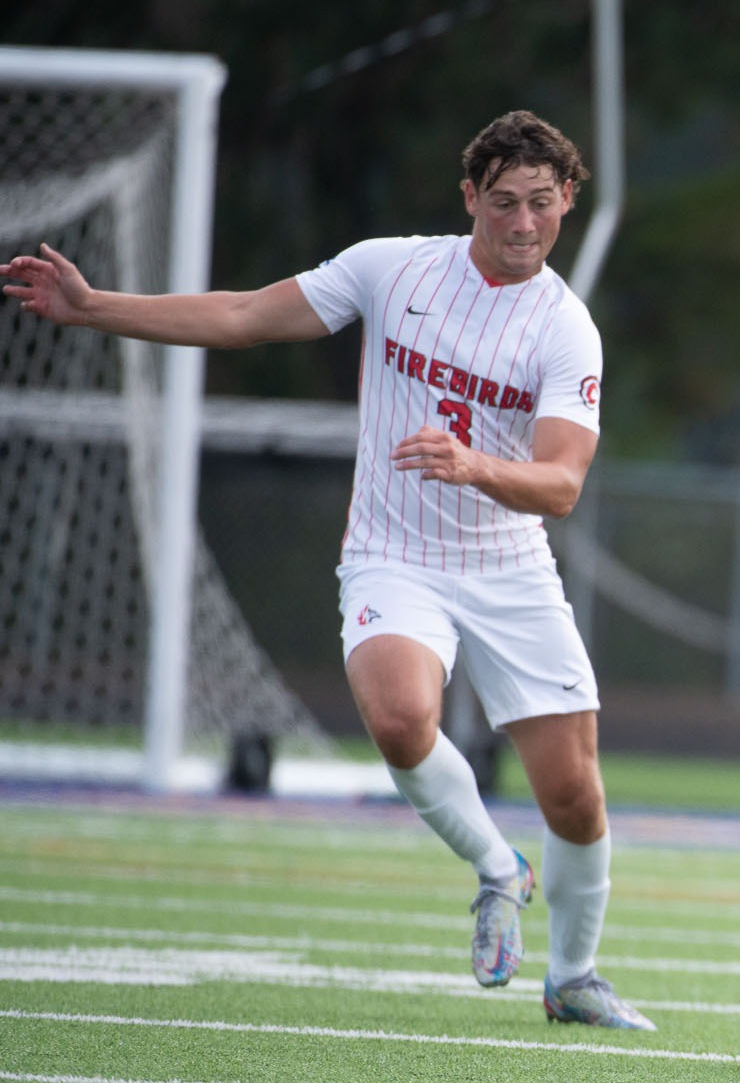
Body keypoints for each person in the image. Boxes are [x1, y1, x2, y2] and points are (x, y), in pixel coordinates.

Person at [2, 110, 654, 1030]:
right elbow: (241, 315)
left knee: (575, 793)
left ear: (568, 202)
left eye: (541, 205)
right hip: (395, 554)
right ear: (469, 198)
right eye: (503, 202)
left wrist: (474, 465)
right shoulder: (391, 269)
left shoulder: (566, 331)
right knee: (397, 718)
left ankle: (574, 977)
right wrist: (92, 305)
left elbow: (561, 483)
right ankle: (498, 868)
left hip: (509, 566)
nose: (522, 224)